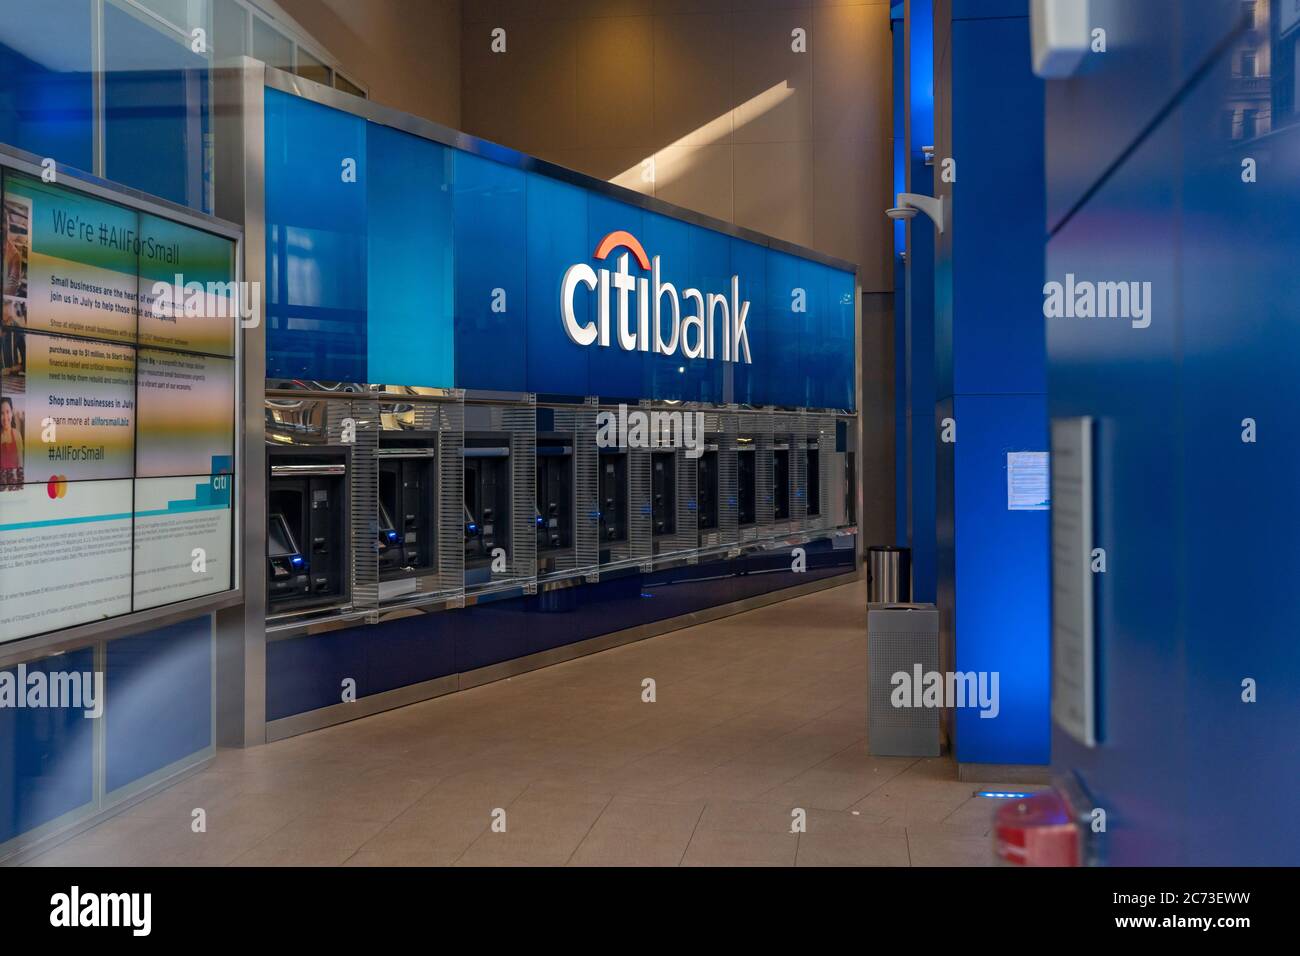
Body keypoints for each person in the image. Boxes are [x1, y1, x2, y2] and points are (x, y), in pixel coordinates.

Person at [0, 395, 23, 489]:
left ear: (12, 413)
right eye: (1, 413)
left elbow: (20, 465)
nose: (5, 417)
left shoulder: (17, 435)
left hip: (15, 487)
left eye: (7, 412)